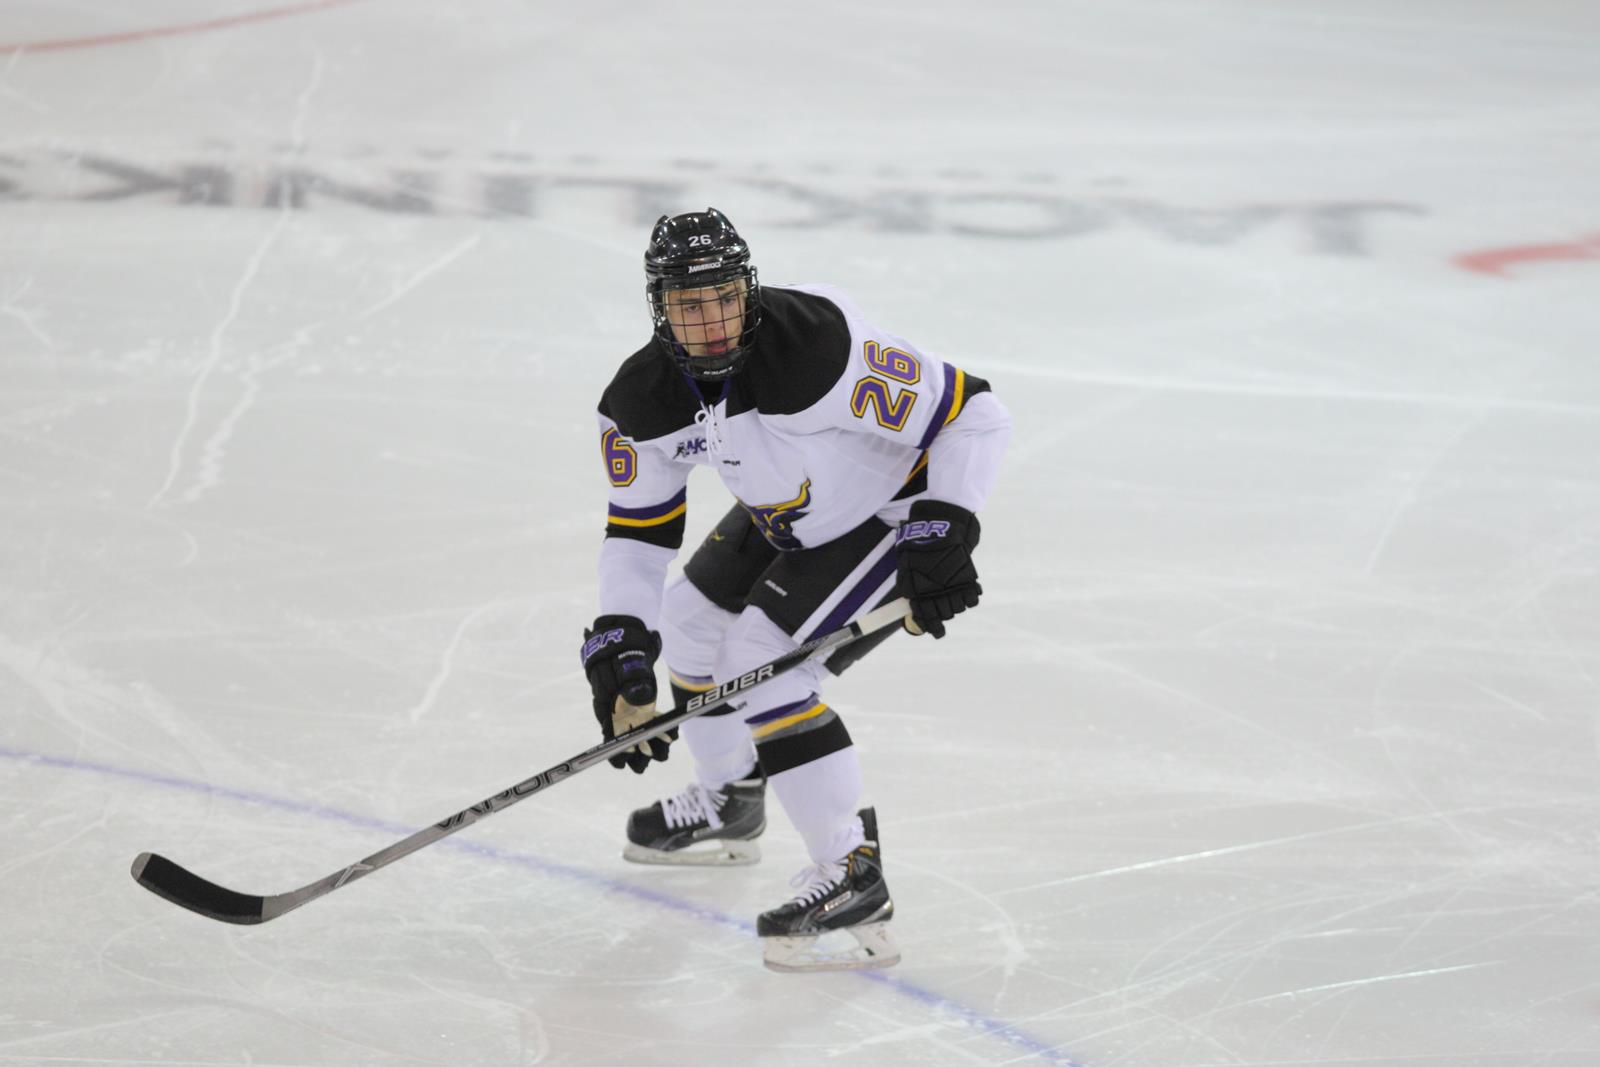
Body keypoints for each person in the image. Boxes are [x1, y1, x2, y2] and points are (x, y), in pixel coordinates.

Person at [579, 208, 1011, 972]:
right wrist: (620, 638)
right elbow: (639, 536)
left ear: (747, 288)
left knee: (763, 658)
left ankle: (853, 874)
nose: (711, 321)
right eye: (688, 304)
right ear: (659, 308)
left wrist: (947, 523)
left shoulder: (819, 347)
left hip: (891, 507)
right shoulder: (642, 402)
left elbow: (971, 412)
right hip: (789, 513)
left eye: (723, 296)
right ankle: (731, 797)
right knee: (686, 619)